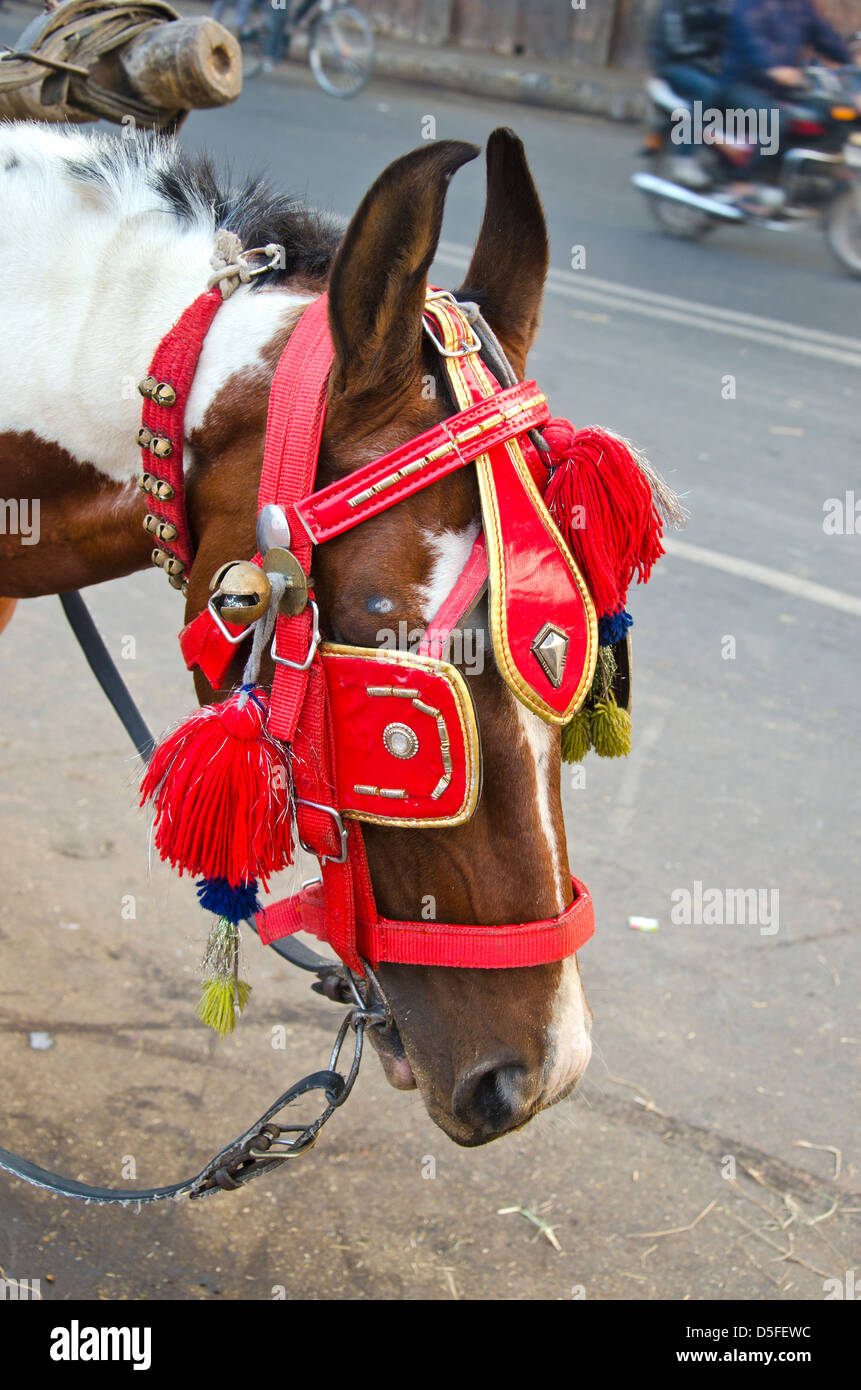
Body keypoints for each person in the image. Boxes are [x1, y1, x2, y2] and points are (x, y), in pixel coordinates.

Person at [721, 0, 856, 209]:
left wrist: (849, 59)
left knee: (826, 115)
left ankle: (817, 175)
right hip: (744, 83)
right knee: (775, 120)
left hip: (783, 87)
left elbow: (823, 36)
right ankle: (741, 183)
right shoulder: (750, 4)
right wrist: (771, 67)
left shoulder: (799, 6)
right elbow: (749, 37)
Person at [651, 1, 732, 187]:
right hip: (675, 66)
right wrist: (708, 47)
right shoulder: (674, 5)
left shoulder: (716, 6)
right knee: (707, 90)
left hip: (702, 64)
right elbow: (675, 46)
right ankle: (683, 158)